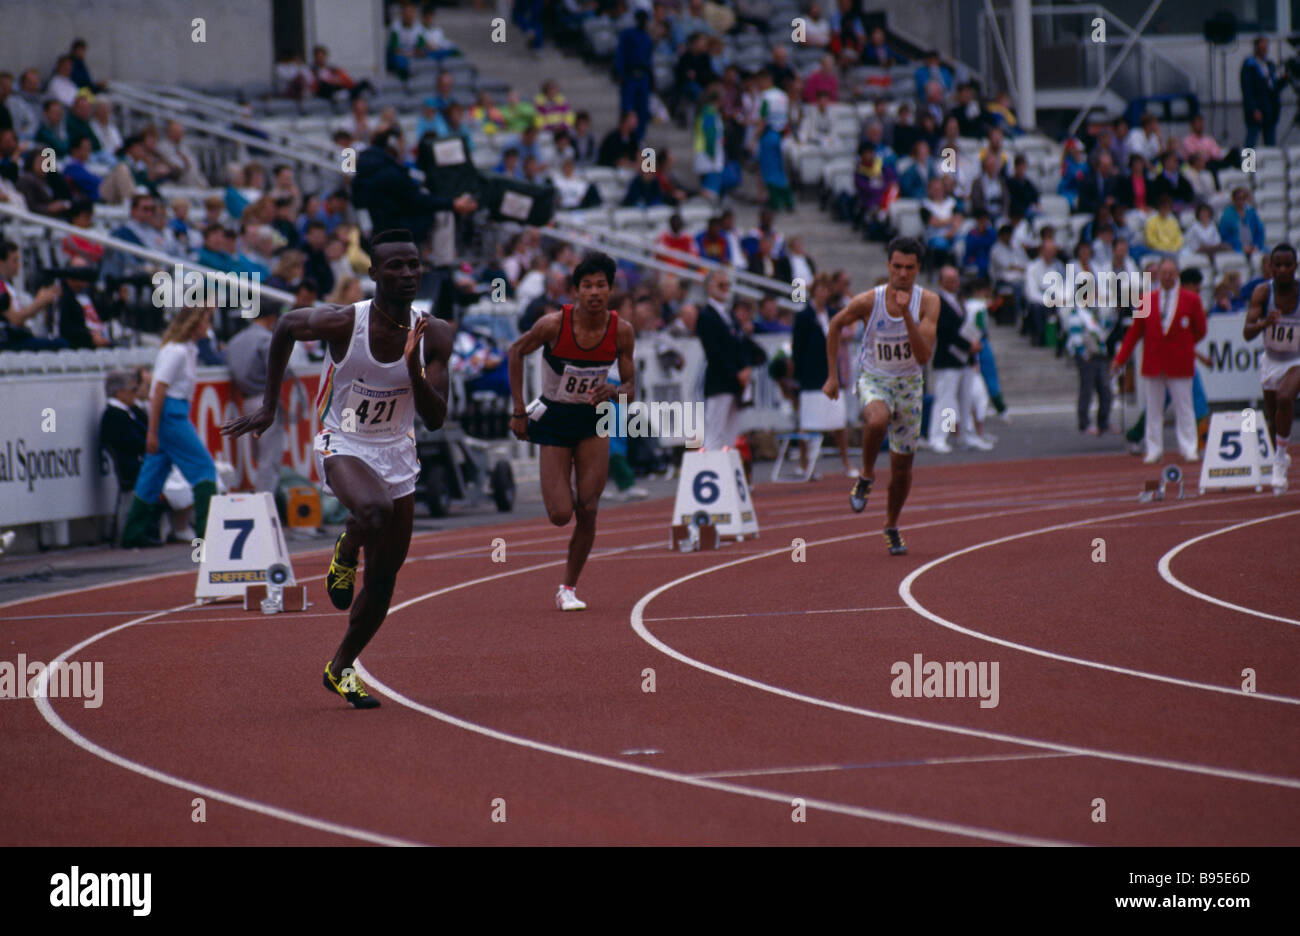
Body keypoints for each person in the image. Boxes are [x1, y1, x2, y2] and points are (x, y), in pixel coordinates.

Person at [222, 229, 453, 709]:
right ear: (372, 274)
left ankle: (341, 667)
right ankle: (346, 550)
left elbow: (435, 418)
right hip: (342, 439)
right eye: (395, 266)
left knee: (385, 579)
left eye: (413, 265)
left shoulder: (436, 333)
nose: (407, 273)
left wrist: (414, 370)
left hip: (399, 451)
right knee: (373, 512)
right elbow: (284, 325)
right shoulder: (345, 322)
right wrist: (269, 405)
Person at [507, 252, 636, 611]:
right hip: (555, 418)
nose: (594, 292)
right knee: (561, 514)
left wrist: (614, 391)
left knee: (589, 507)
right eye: (587, 286)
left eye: (601, 286)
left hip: (594, 420)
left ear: (610, 289)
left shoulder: (621, 331)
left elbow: (631, 388)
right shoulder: (553, 325)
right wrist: (519, 410)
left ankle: (568, 587)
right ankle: (566, 582)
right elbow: (516, 351)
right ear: (576, 290)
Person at [822, 237, 939, 555]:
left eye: (909, 268)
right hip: (874, 379)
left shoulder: (928, 302)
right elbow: (834, 325)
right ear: (888, 266)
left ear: (918, 269)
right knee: (877, 419)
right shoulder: (868, 301)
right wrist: (833, 377)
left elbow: (923, 355)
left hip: (909, 385)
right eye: (897, 267)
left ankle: (891, 524)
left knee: (902, 469)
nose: (902, 274)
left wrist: (907, 318)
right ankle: (867, 474)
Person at [120, 307, 219, 549]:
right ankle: (210, 533)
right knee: (204, 467)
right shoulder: (176, 352)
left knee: (153, 472)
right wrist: (152, 432)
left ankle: (134, 532)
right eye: (206, 319)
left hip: (174, 412)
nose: (209, 324)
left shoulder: (187, 350)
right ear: (194, 323)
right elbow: (158, 391)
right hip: (171, 415)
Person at [1110, 257, 1207, 464]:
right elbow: (1134, 334)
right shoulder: (1146, 300)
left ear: (1177, 275)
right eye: (1164, 273)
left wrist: (1185, 345)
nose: (1167, 277)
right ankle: (1154, 449)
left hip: (1180, 363)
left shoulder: (1191, 300)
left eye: (1171, 273)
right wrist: (1120, 359)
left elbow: (1200, 330)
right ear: (1158, 275)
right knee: (1154, 408)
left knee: (1184, 407)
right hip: (1154, 363)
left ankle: (1189, 447)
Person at [1243, 243, 1300, 492]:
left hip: (1296, 359)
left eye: (1288, 265)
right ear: (1271, 268)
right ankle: (1281, 451)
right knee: (1273, 420)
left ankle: (1278, 461)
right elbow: (1247, 333)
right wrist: (1265, 322)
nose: (1283, 269)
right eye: (1278, 265)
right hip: (1271, 361)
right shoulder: (1262, 293)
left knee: (1286, 397)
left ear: (1296, 267)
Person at [227, 308, 288, 494]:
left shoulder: (234, 341)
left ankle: (262, 500)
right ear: (271, 317)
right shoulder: (267, 339)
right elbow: (280, 371)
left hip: (246, 402)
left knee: (259, 456)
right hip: (265, 402)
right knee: (268, 458)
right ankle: (265, 503)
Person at [695, 269, 751, 451]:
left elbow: (739, 344)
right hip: (720, 382)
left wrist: (745, 368)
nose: (725, 289)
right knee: (715, 433)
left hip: (734, 383)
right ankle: (710, 471)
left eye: (727, 285)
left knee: (730, 434)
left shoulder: (729, 315)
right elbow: (714, 352)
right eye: (721, 285)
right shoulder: (706, 316)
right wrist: (736, 373)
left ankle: (727, 474)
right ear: (709, 287)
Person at [100, 369, 150, 545]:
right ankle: (134, 532)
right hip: (131, 466)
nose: (135, 395)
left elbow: (147, 428)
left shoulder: (131, 411)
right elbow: (132, 442)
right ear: (119, 392)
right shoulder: (114, 415)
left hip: (139, 462)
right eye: (132, 390)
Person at [1241, 36, 1281, 149]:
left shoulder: (1269, 65)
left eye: (1265, 47)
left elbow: (1273, 87)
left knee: (1270, 142)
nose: (1264, 49)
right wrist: (1253, 108)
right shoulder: (1250, 65)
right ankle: (1248, 166)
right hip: (1257, 108)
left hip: (1269, 109)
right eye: (1261, 47)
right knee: (1251, 140)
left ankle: (1272, 166)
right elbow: (1247, 89)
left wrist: (1283, 80)